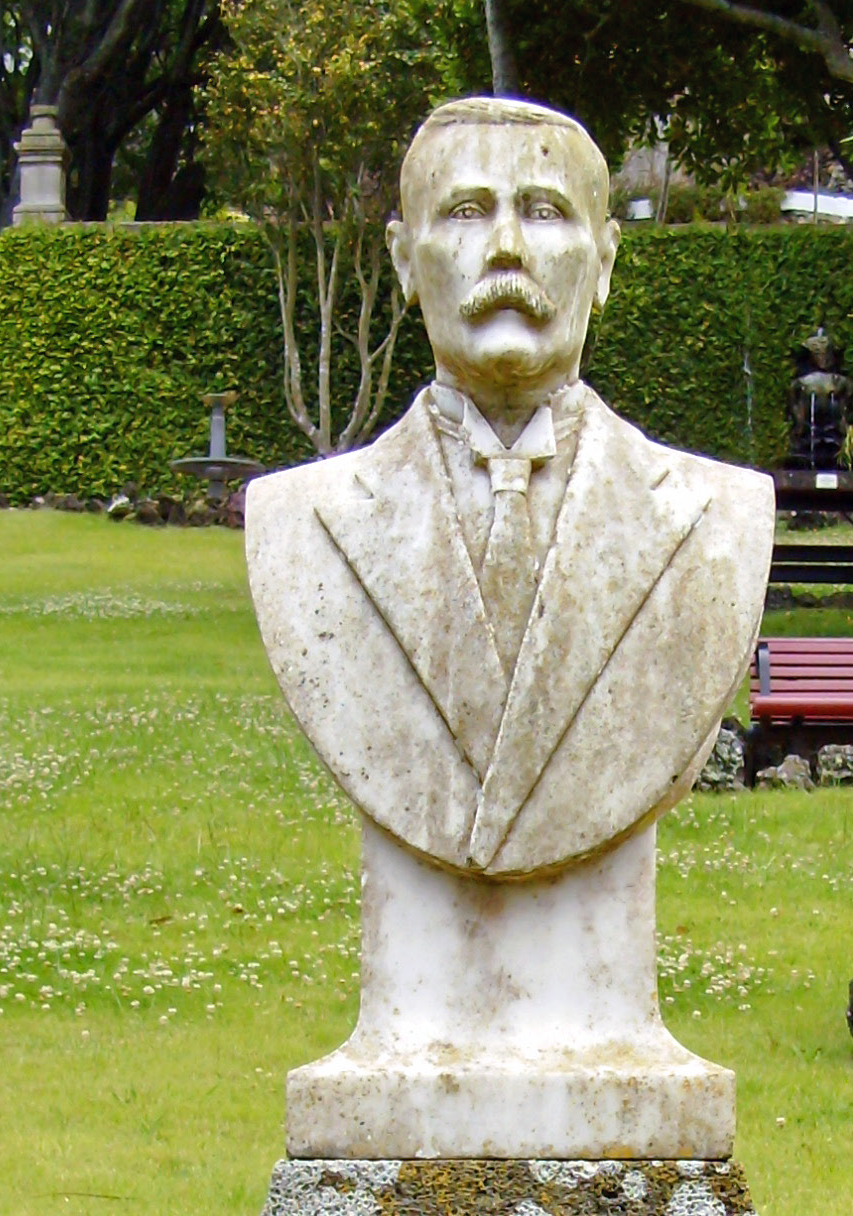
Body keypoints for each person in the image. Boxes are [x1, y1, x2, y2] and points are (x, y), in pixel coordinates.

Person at [244, 95, 769, 882]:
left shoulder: (719, 516)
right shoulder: (300, 522)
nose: (506, 249)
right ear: (402, 262)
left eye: (546, 212)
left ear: (606, 262)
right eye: (464, 212)